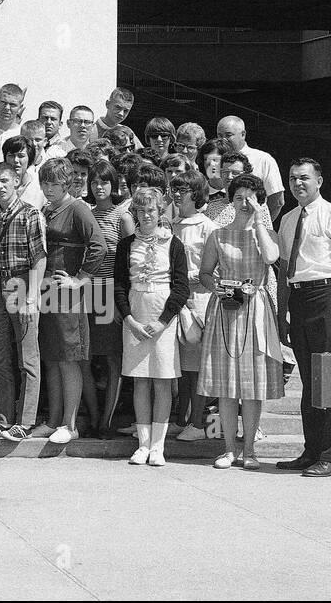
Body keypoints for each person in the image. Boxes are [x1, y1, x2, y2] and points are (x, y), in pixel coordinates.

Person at [275, 158, 331, 477]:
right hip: (299, 300)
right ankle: (311, 451)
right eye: (293, 178)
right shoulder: (287, 219)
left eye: (305, 178)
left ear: (319, 181)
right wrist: (282, 314)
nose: (299, 183)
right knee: (310, 382)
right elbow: (284, 270)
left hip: (327, 297)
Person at [197, 173, 282, 470]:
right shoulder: (218, 234)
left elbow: (271, 258)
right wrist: (216, 286)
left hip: (256, 309)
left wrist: (259, 221)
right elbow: (204, 273)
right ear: (230, 201)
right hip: (225, 308)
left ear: (259, 201)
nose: (244, 202)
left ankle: (250, 450)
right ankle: (228, 449)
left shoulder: (267, 233)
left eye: (250, 197)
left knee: (253, 384)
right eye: (238, 197)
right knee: (227, 384)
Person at [115, 185, 188, 467]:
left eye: (151, 210)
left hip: (163, 316)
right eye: (141, 210)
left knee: (162, 381)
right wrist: (129, 319)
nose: (146, 215)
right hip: (135, 313)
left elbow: (181, 288)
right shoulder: (126, 244)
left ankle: (158, 445)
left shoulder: (173, 244)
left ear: (160, 212)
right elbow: (119, 285)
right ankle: (143, 443)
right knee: (140, 380)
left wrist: (163, 322)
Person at [36, 158, 106, 444]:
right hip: (46, 290)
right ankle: (53, 420)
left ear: (66, 183)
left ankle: (70, 423)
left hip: (68, 295)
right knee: (51, 358)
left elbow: (98, 245)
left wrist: (80, 279)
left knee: (69, 360)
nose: (49, 188)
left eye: (54, 183)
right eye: (45, 183)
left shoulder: (77, 208)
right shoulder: (45, 210)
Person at [0, 163, 47, 442]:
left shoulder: (31, 214)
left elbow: (40, 257)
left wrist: (32, 297)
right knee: (0, 357)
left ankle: (26, 421)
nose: (0, 186)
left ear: (17, 181)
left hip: (21, 284)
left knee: (28, 357)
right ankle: (4, 419)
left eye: (5, 180)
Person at [85, 161, 132, 436]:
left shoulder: (121, 217)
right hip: (86, 291)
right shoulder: (86, 213)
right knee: (85, 358)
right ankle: (92, 417)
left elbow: (128, 261)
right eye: (94, 182)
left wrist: (118, 300)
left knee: (113, 361)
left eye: (104, 181)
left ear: (113, 185)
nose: (99, 186)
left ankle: (107, 421)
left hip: (110, 292)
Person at [171, 170, 218, 442]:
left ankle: (198, 423)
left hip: (199, 304)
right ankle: (182, 419)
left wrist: (187, 278)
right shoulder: (172, 224)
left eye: (183, 189)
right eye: (174, 188)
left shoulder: (207, 227)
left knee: (199, 368)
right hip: (177, 302)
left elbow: (212, 270)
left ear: (196, 194)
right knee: (184, 370)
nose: (177, 194)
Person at [215, 116, 285, 220]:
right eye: (219, 136)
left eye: (228, 135)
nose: (223, 140)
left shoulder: (263, 159)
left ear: (243, 134)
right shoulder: (214, 160)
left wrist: (260, 226)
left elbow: (277, 201)